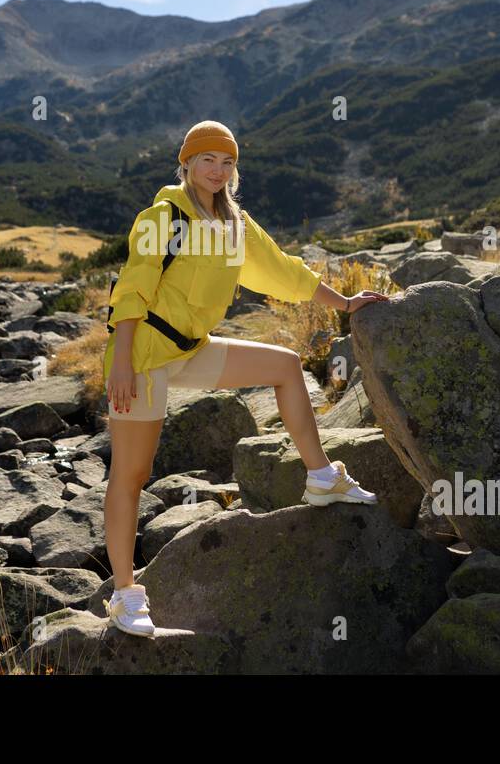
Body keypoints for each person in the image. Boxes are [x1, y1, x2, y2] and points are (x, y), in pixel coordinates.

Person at [101, 119, 390, 636]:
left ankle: (322, 478)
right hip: (143, 353)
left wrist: (344, 303)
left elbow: (283, 270)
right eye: (207, 160)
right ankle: (125, 595)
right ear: (186, 163)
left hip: (191, 347)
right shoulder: (163, 215)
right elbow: (132, 287)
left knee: (284, 365)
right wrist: (121, 361)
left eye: (227, 161)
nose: (218, 170)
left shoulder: (235, 222)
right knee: (132, 475)